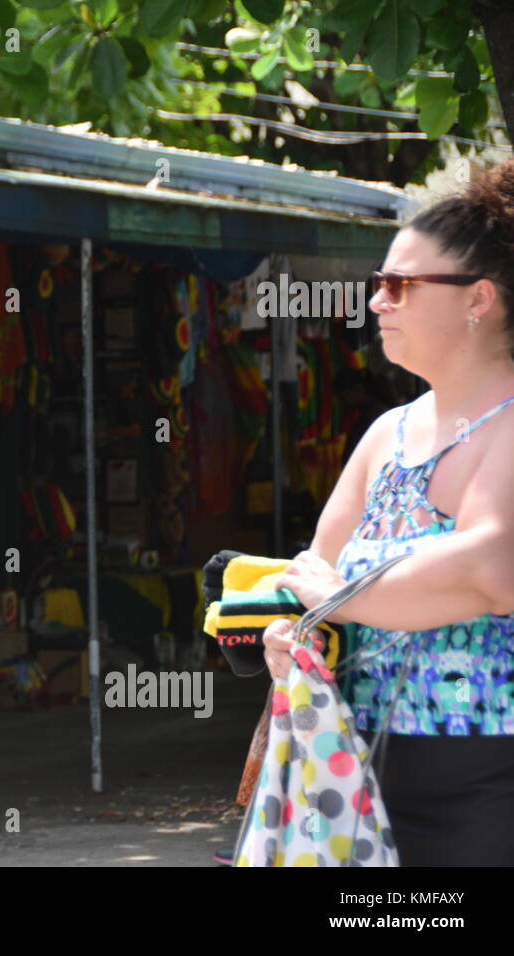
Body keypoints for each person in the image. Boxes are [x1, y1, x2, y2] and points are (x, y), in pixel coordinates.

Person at [263, 160, 514, 866]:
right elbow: (309, 578)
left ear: (478, 299)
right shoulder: (387, 434)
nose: (378, 302)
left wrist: (339, 594)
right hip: (353, 768)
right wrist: (292, 631)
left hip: (490, 781)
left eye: (400, 285)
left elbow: (489, 569)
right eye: (379, 284)